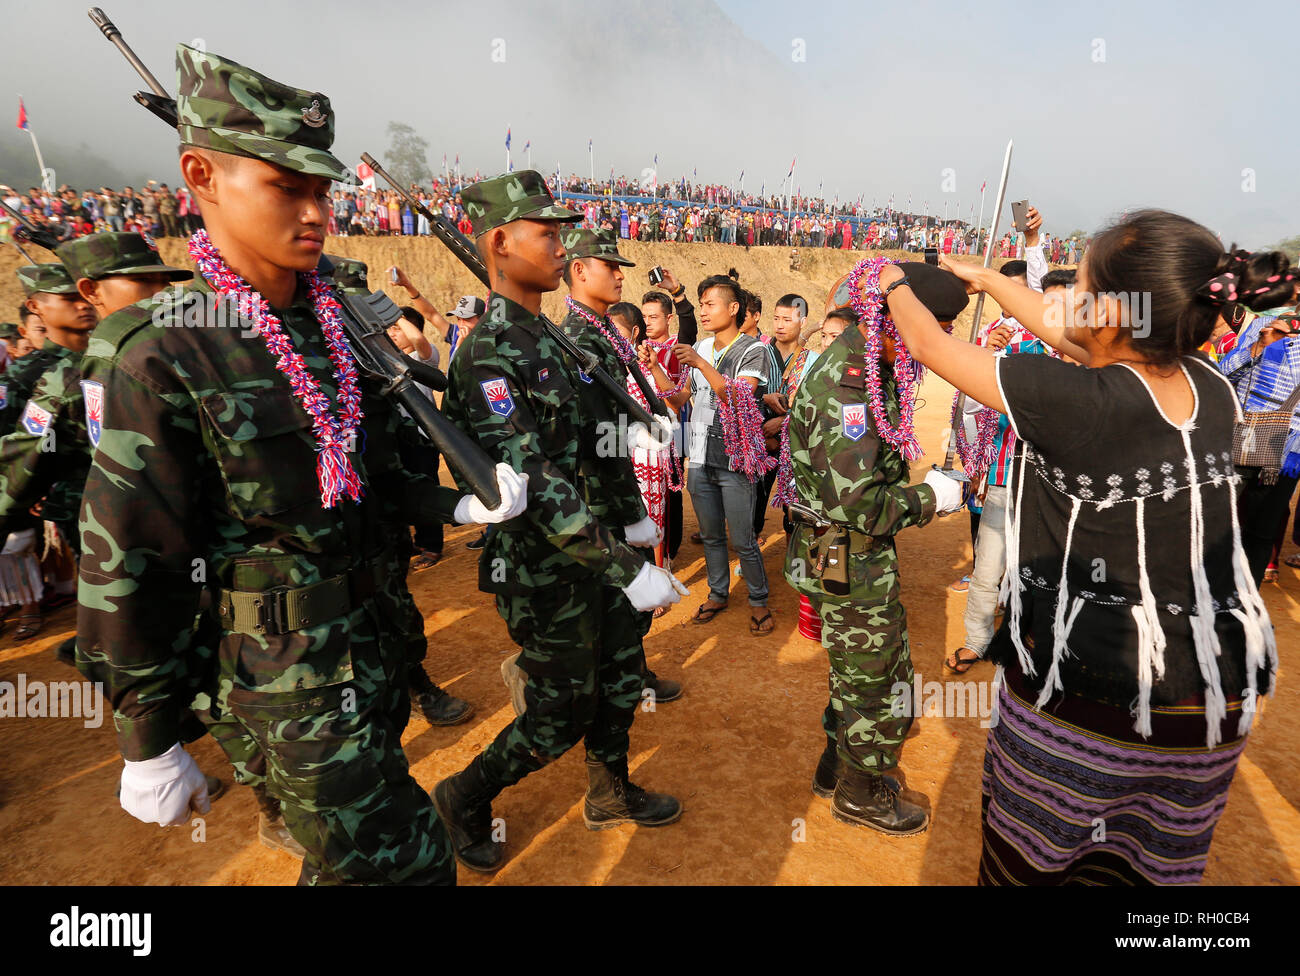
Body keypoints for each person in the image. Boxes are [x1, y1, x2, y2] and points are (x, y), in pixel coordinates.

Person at [76, 44, 529, 886]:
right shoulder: (166, 347)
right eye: (287, 187)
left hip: (375, 642)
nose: (316, 211)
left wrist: (450, 506)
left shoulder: (329, 324)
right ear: (201, 175)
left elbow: (364, 473)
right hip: (281, 677)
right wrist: (148, 733)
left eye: (323, 190)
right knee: (411, 866)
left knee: (346, 867)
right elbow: (130, 556)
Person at [887, 210, 1277, 885]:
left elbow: (929, 346)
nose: (1063, 299)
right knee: (1146, 871)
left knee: (1036, 863)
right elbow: (1065, 328)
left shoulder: (1069, 397)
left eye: (1080, 287)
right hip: (1211, 703)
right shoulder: (1210, 387)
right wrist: (984, 277)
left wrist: (884, 281)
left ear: (1115, 314)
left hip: (1093, 700)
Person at [435, 172, 686, 874]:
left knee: (619, 677)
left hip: (599, 547)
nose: (559, 244)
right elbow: (538, 483)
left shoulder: (551, 338)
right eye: (545, 233)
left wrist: (634, 521)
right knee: (557, 712)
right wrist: (628, 568)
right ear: (499, 242)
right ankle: (464, 793)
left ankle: (609, 789)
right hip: (544, 566)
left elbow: (594, 439)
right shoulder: (488, 351)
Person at [782, 262, 967, 836]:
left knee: (860, 667)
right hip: (848, 551)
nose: (944, 340)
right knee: (873, 675)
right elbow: (861, 505)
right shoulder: (850, 385)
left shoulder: (870, 367)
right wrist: (930, 497)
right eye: (937, 325)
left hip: (849, 551)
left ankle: (836, 768)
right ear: (895, 321)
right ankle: (858, 795)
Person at [557, 230, 681, 702]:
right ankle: (615, 681)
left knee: (618, 599)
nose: (619, 274)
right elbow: (600, 439)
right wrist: (632, 513)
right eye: (608, 265)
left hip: (611, 483)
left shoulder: (603, 330)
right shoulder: (579, 337)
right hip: (599, 493)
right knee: (615, 596)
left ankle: (629, 673)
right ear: (579, 270)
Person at [666, 274, 774, 635]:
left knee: (742, 539)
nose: (704, 311)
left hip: (735, 460)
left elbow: (738, 397)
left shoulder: (754, 349)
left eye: (710, 304)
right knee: (711, 536)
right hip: (698, 456)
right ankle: (717, 592)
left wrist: (699, 363)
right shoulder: (700, 346)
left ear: (733, 308)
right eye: (701, 305)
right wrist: (651, 368)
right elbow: (680, 398)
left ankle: (758, 600)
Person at [1214, 250, 1300, 585]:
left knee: (1262, 530)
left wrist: (1287, 343)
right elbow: (1223, 376)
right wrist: (1259, 348)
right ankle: (1209, 592)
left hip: (1284, 451)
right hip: (1239, 436)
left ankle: (1244, 600)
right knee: (1217, 521)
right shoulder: (1260, 328)